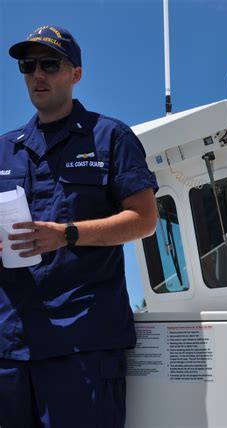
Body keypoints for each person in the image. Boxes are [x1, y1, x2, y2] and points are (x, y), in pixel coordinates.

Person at [0, 25, 158, 427]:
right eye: (28, 65)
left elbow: (144, 220)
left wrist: (67, 234)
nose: (38, 74)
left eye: (50, 64)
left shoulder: (111, 137)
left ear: (76, 74)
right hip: (10, 344)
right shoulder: (4, 147)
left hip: (82, 340)